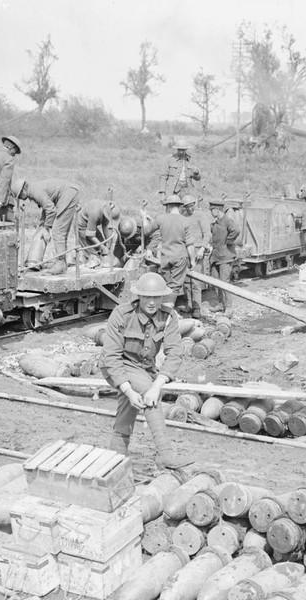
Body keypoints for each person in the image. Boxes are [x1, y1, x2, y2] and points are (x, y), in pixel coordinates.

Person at [98, 271, 190, 471]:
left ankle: (116, 460)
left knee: (128, 411)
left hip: (143, 369)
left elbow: (175, 353)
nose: (152, 302)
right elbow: (111, 355)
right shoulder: (122, 314)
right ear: (138, 296)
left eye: (157, 297)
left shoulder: (168, 317)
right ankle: (165, 454)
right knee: (148, 395)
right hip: (117, 365)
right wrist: (129, 390)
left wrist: (158, 384)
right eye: (147, 297)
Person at [11, 177, 80, 275]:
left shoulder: (34, 191)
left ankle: (60, 264)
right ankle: (57, 262)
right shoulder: (33, 189)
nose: (21, 199)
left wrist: (47, 228)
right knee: (55, 230)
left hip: (68, 194)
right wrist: (42, 225)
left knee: (58, 231)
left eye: (19, 196)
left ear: (23, 190)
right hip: (69, 193)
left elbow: (51, 210)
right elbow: (46, 209)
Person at [145, 194, 196, 300]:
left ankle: (164, 308)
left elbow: (148, 231)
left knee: (166, 284)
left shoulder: (161, 219)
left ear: (167, 206)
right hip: (179, 258)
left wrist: (149, 249)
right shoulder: (185, 221)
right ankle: (167, 310)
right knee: (174, 287)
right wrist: (192, 261)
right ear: (179, 206)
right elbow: (190, 245)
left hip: (165, 257)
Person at [181, 194, 211, 318]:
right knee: (186, 281)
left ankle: (197, 308)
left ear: (195, 204)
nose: (189, 209)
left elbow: (207, 234)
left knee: (196, 281)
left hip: (198, 250)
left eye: (191, 205)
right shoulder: (183, 217)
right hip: (186, 251)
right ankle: (189, 304)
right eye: (187, 206)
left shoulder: (201, 216)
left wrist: (203, 248)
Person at [208, 199, 240, 311]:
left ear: (217, 210)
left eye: (212, 210)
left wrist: (228, 242)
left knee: (224, 283)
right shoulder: (215, 222)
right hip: (216, 257)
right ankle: (221, 304)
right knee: (216, 282)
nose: (211, 212)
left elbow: (236, 230)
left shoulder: (227, 220)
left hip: (225, 257)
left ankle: (229, 307)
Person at [75, 199, 120, 268]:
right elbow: (90, 235)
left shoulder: (106, 209)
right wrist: (102, 247)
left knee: (102, 246)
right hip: (81, 226)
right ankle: (90, 260)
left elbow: (105, 226)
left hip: (91, 225)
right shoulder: (95, 213)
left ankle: (102, 259)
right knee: (93, 252)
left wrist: (108, 243)